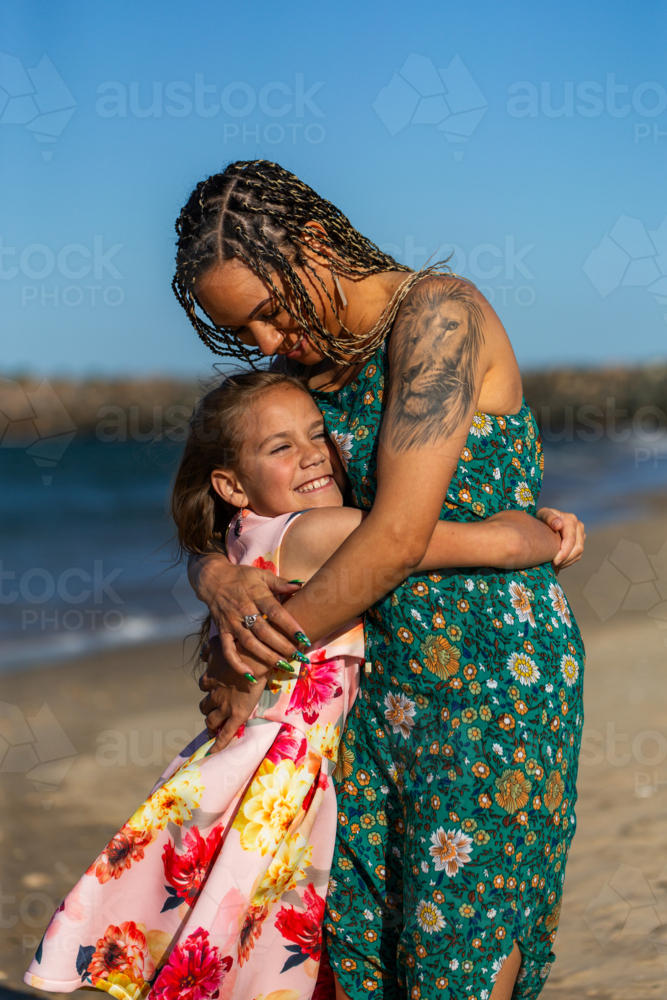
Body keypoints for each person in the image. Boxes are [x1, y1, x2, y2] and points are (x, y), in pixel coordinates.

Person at [172, 161, 586, 1000]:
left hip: (494, 683)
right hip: (367, 689)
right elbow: (244, 506)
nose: (262, 341)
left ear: (315, 244)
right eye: (239, 330)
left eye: (267, 310)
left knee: (454, 959)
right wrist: (214, 575)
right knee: (365, 951)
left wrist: (245, 659)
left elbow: (394, 537)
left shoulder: (439, 318)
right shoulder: (317, 363)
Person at [25, 371, 565, 1000]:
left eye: (318, 434)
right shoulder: (313, 534)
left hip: (257, 765)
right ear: (230, 485)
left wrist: (206, 572)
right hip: (292, 781)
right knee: (273, 949)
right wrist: (545, 529)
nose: (312, 454)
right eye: (280, 448)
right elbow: (480, 543)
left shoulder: (244, 536)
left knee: (248, 947)